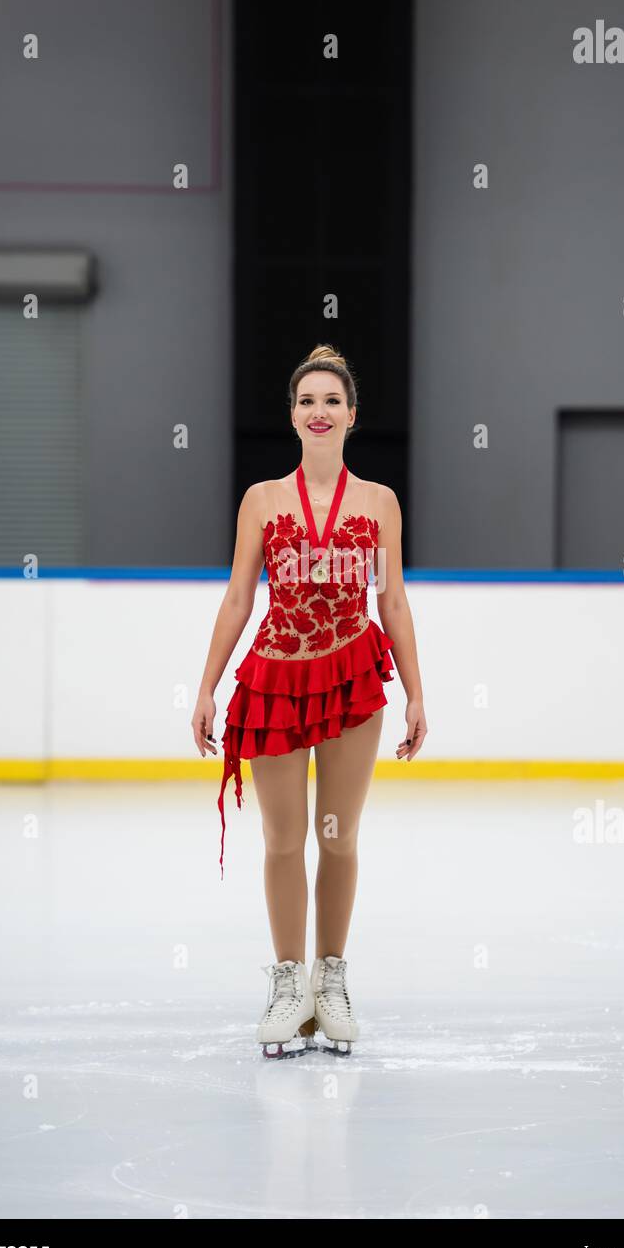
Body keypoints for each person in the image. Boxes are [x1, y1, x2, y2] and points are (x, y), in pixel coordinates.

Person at [192, 344, 427, 1056]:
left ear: (351, 415)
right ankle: (288, 984)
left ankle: (330, 980)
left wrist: (416, 694)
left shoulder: (378, 501)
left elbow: (390, 599)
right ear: (291, 416)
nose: (318, 412)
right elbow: (238, 596)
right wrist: (205, 685)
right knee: (282, 839)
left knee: (338, 837)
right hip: (274, 682)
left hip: (353, 678)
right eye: (306, 401)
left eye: (331, 401)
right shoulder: (261, 500)